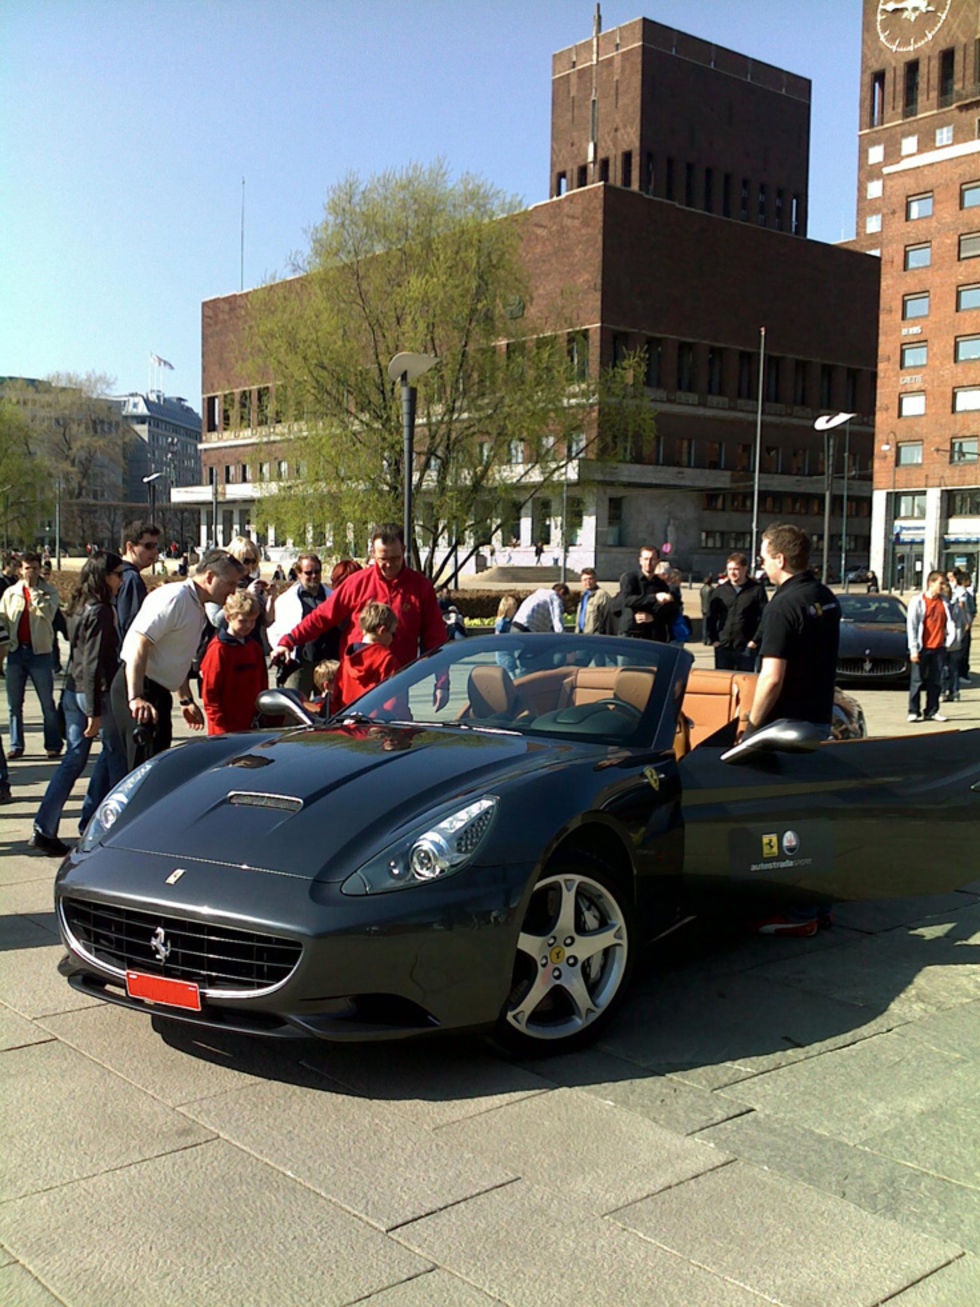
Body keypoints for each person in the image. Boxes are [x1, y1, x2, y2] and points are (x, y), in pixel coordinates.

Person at [740, 524, 840, 938]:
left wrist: (749, 726)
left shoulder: (783, 606)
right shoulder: (825, 598)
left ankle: (797, 911)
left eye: (763, 557)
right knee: (812, 817)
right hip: (817, 721)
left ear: (780, 559)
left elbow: (772, 678)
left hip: (783, 729)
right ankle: (817, 904)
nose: (760, 564)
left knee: (782, 826)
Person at [271, 524, 447, 705]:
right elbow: (322, 617)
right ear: (373, 554)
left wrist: (442, 683)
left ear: (404, 550)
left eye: (395, 558)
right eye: (382, 559)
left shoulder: (420, 587)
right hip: (354, 683)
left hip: (396, 684)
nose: (388, 565)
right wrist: (290, 640)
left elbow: (435, 637)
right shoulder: (358, 582)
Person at [111, 549, 245, 767]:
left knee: (155, 765)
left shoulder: (196, 605)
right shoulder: (175, 597)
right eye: (230, 584)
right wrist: (136, 697)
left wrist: (185, 699)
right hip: (140, 686)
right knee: (140, 769)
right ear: (209, 577)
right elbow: (139, 643)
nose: (232, 592)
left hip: (158, 691)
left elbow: (176, 656)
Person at [31, 552, 128, 856]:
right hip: (93, 692)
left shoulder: (79, 604)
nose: (121, 580)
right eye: (116, 574)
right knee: (116, 757)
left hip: (76, 688)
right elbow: (94, 659)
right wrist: (94, 712)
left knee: (75, 759)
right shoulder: (100, 610)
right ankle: (108, 827)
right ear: (104, 576)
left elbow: (77, 656)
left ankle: (46, 826)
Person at [0, 552, 62, 758]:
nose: (31, 572)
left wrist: (35, 593)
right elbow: (4, 620)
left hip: (40, 653)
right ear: (20, 570)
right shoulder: (11, 593)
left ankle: (52, 744)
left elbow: (49, 615)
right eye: (27, 568)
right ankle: (16, 745)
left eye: (35, 568)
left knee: (47, 702)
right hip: (16, 652)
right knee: (14, 704)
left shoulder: (49, 592)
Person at [199, 590, 268, 735]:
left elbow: (263, 684)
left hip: (252, 724)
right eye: (243, 621)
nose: (249, 625)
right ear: (229, 617)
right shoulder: (218, 649)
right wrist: (220, 727)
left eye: (253, 621)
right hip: (225, 728)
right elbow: (210, 694)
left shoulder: (254, 647)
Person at [267, 552, 333, 695]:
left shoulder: (332, 597)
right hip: (298, 664)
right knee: (295, 708)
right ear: (298, 573)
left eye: (317, 572)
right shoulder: (285, 600)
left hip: (326, 664)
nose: (314, 576)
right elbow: (274, 629)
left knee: (327, 709)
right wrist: (282, 649)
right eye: (308, 573)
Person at [906, 569, 956, 724]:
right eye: (940, 583)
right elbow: (912, 626)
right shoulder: (918, 601)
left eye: (944, 583)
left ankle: (932, 710)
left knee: (936, 681)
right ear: (931, 583)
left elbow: (951, 623)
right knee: (917, 681)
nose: (943, 586)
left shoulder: (944, 602)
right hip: (923, 647)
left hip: (939, 647)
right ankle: (913, 711)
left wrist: (950, 641)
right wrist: (913, 649)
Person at [710, 552, 767, 672]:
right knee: (722, 681)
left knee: (744, 682)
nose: (732, 573)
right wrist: (713, 639)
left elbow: (764, 617)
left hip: (746, 646)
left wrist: (755, 640)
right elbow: (711, 616)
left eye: (736, 569)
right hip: (723, 645)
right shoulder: (720, 590)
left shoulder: (756, 590)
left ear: (745, 568)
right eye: (730, 569)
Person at [336, 601, 399, 707]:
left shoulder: (347, 660)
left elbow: (337, 698)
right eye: (393, 633)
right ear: (382, 631)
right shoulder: (387, 661)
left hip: (349, 720)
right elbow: (394, 702)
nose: (393, 639)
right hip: (377, 721)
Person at [617, 546, 675, 642]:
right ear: (640, 560)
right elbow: (627, 600)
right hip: (630, 633)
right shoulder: (630, 578)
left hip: (652, 634)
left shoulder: (661, 584)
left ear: (658, 561)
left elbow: (667, 610)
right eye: (645, 559)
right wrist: (655, 598)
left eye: (652, 559)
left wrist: (653, 617)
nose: (648, 563)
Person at [116, 520, 162, 640]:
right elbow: (132, 625)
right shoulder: (132, 579)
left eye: (156, 546)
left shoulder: (116, 573)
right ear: (130, 547)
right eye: (148, 546)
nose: (155, 551)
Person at [576, 569, 613, 634]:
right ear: (581, 581)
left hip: (594, 636)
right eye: (585, 580)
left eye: (590, 579)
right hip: (581, 634)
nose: (588, 582)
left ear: (596, 580)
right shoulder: (584, 595)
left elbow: (607, 618)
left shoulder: (601, 595)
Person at [699, 574, 716, 644]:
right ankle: (709, 639)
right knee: (710, 625)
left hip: (703, 608)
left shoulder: (702, 589)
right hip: (710, 609)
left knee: (704, 625)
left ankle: (704, 639)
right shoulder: (712, 589)